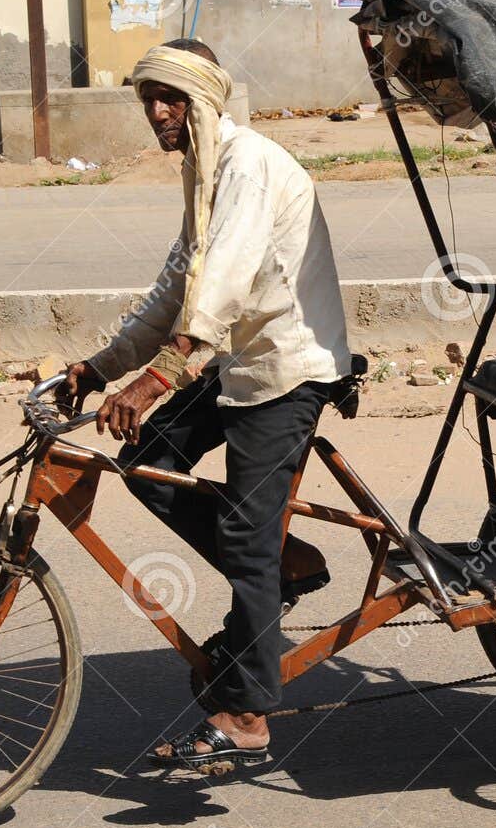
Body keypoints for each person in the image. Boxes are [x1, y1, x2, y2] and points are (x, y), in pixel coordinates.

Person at [58, 38, 352, 772]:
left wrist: (155, 379)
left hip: (288, 370)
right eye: (149, 101)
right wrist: (101, 365)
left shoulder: (248, 165)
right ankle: (284, 567)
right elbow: (175, 288)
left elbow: (219, 283)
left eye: (172, 99)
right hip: (232, 362)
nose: (159, 113)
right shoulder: (206, 172)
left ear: (205, 102)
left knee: (248, 537)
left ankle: (249, 711)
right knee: (150, 462)